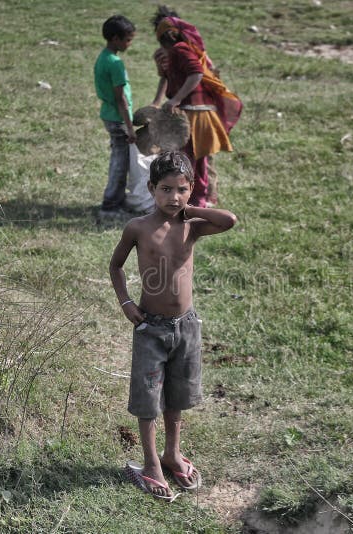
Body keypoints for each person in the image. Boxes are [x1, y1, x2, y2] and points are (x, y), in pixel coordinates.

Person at [109, 150, 237, 500]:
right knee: (148, 397)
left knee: (177, 395)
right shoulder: (137, 228)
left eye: (181, 190)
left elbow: (229, 220)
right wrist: (126, 302)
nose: (173, 197)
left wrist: (190, 210)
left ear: (191, 189)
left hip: (186, 327)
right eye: (165, 189)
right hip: (151, 327)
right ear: (151, 188)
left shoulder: (191, 227)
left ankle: (172, 454)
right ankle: (151, 463)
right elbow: (116, 266)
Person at [150, 11, 242, 208]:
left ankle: (199, 201)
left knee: (194, 160)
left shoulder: (180, 49)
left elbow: (196, 74)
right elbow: (172, 77)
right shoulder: (181, 50)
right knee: (193, 159)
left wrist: (175, 99)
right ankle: (198, 200)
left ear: (165, 37)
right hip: (195, 111)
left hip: (196, 112)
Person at [94, 15, 137, 218]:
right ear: (115, 38)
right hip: (118, 118)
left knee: (119, 159)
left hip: (109, 115)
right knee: (120, 163)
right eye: (127, 39)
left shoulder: (103, 57)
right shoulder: (115, 63)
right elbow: (121, 99)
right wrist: (130, 128)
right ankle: (110, 205)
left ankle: (117, 200)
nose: (129, 43)